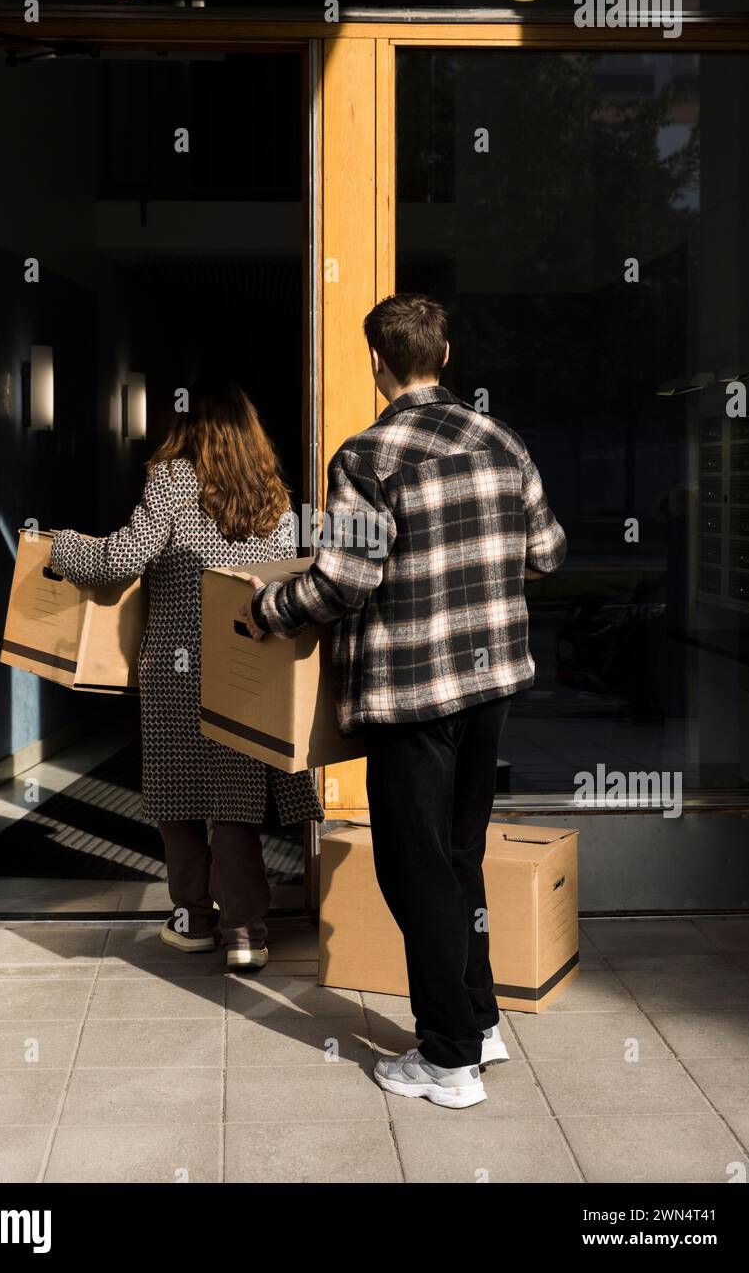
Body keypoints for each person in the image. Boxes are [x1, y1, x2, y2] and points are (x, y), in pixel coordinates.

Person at [241, 294, 566, 1107]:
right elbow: (548, 554)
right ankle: (480, 1022)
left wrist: (264, 610)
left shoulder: (366, 457)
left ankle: (449, 1058)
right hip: (488, 687)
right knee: (458, 858)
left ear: (376, 362)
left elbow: (343, 582)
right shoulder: (502, 440)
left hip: (410, 693)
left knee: (415, 869)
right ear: (446, 356)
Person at [50, 378, 323, 972]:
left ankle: (194, 920)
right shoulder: (273, 494)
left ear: (187, 428)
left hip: (178, 668)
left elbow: (120, 558)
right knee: (232, 802)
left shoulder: (171, 483)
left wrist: (61, 548)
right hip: (247, 662)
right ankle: (246, 931)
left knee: (178, 799)